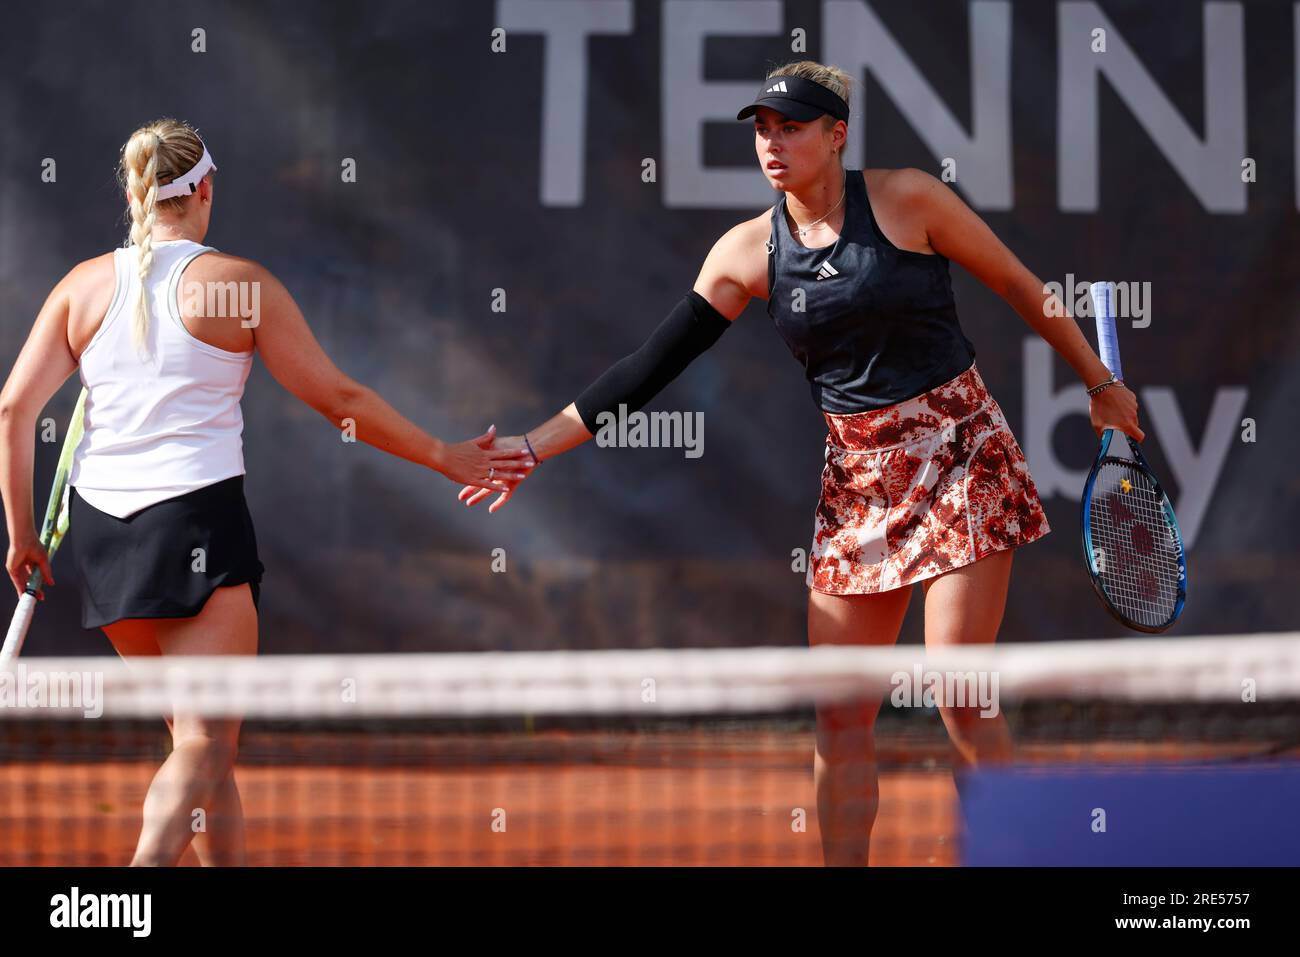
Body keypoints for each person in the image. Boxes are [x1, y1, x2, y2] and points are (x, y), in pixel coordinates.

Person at [458, 61, 1144, 865]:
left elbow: (1021, 286)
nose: (772, 143)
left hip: (962, 454)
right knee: (840, 714)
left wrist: (1100, 383)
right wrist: (535, 445)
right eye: (762, 129)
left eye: (791, 127)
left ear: (836, 134)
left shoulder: (909, 199)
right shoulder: (746, 254)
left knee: (959, 691)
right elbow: (649, 366)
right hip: (857, 485)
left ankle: (1022, 854)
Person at [0, 118, 535, 866]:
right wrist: (442, 454)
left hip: (104, 538)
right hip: (194, 528)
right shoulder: (238, 288)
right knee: (207, 744)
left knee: (201, 747)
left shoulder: (79, 289)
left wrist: (22, 535)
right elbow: (338, 397)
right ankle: (134, 886)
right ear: (205, 190)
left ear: (133, 191)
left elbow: (13, 409)